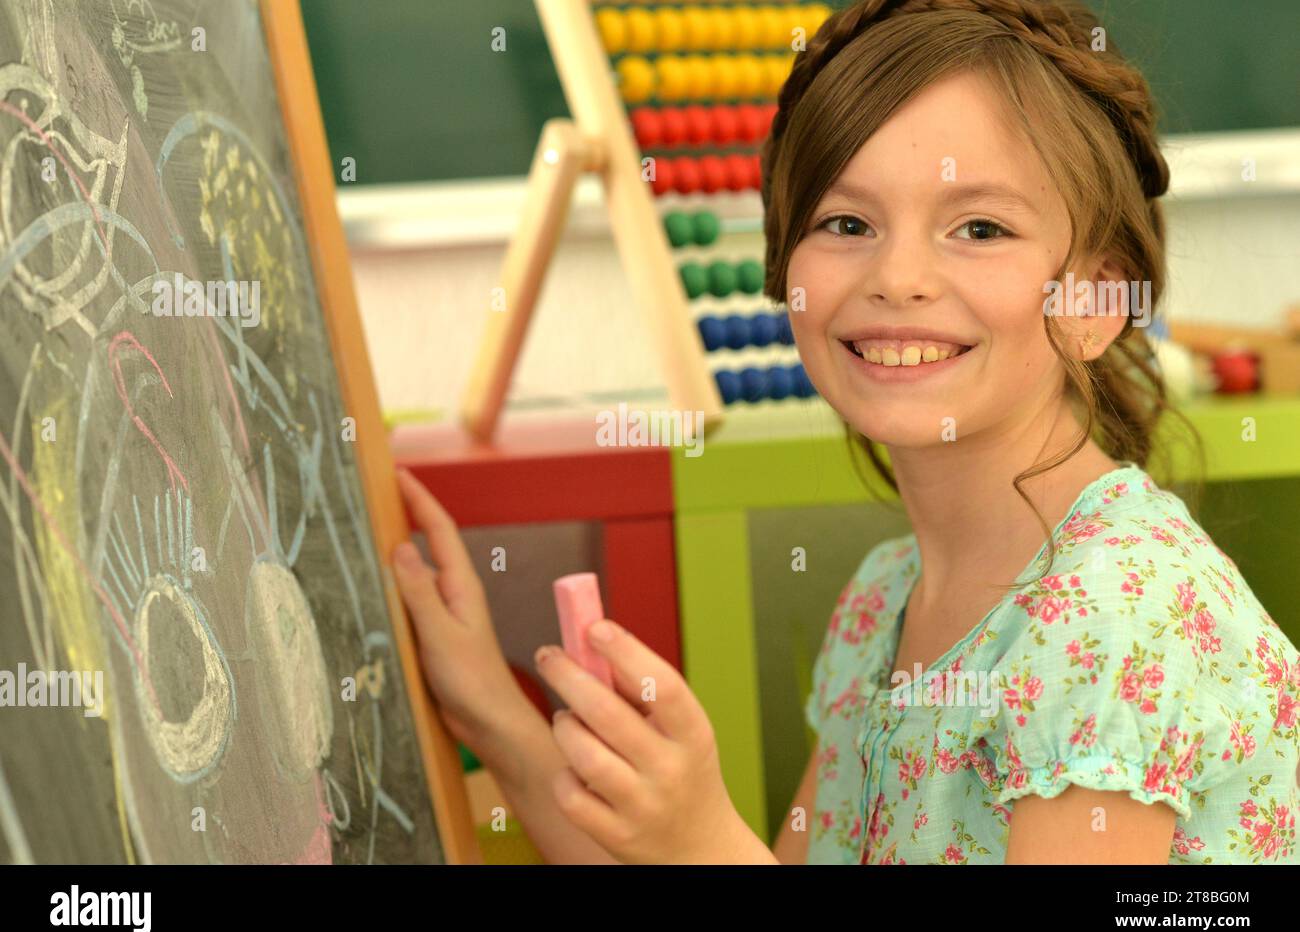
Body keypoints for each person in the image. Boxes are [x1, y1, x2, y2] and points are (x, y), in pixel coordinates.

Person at [392, 0, 1300, 864]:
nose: (897, 275)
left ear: (1100, 299)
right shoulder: (884, 600)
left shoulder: (1115, 618)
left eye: (979, 227)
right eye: (846, 222)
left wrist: (702, 837)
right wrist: (493, 716)